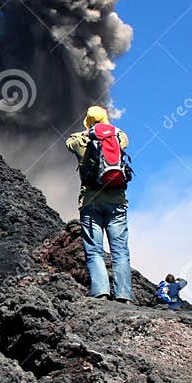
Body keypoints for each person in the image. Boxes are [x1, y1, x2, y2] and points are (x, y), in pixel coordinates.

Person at [66, 105, 133, 304]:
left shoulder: (81, 141)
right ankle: (124, 296)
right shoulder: (118, 138)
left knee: (94, 250)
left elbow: (68, 143)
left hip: (91, 202)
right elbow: (125, 140)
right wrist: (109, 129)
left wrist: (88, 132)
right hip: (117, 203)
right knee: (120, 251)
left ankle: (101, 292)